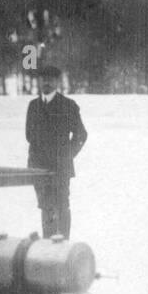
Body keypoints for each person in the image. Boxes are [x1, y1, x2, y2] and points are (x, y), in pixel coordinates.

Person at [26, 64, 87, 238]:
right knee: (45, 207)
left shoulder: (68, 105)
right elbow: (29, 135)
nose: (46, 82)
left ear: (57, 82)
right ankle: (47, 248)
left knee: (61, 206)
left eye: (51, 79)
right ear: (39, 81)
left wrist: (66, 156)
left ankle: (63, 249)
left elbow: (81, 135)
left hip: (60, 168)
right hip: (38, 167)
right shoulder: (33, 106)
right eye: (43, 79)